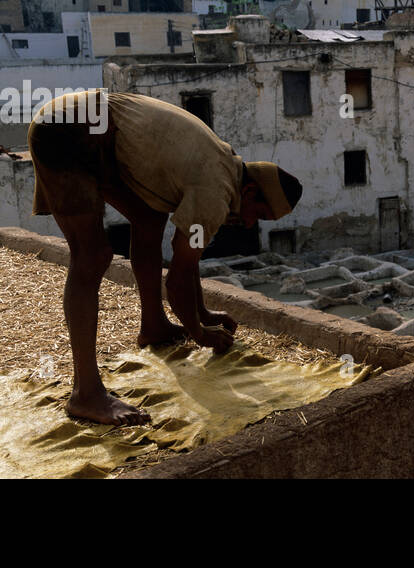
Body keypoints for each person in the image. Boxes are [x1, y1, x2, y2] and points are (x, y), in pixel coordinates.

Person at [28, 90, 303, 425]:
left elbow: (188, 256)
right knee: (92, 255)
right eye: (256, 214)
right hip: (69, 128)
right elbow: (176, 280)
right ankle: (85, 393)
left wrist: (201, 313)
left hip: (94, 126)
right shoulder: (216, 193)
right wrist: (200, 334)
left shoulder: (225, 164)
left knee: (149, 218)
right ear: (249, 191)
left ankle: (153, 326)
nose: (248, 223)